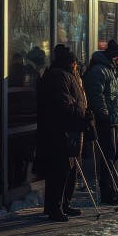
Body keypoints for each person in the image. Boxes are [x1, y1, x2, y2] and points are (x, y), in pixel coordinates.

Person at [39, 45, 89, 221]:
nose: (77, 66)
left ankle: (63, 204)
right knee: (60, 170)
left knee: (70, 169)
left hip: (69, 128)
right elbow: (63, 103)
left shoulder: (67, 75)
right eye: (75, 63)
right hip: (61, 130)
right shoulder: (58, 76)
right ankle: (55, 207)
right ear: (71, 62)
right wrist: (82, 112)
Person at [83, 40, 118, 205]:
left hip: (114, 119)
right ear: (113, 56)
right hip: (106, 120)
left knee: (113, 154)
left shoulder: (109, 69)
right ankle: (108, 192)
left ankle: (112, 189)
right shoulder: (99, 71)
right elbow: (97, 96)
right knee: (108, 155)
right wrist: (104, 114)